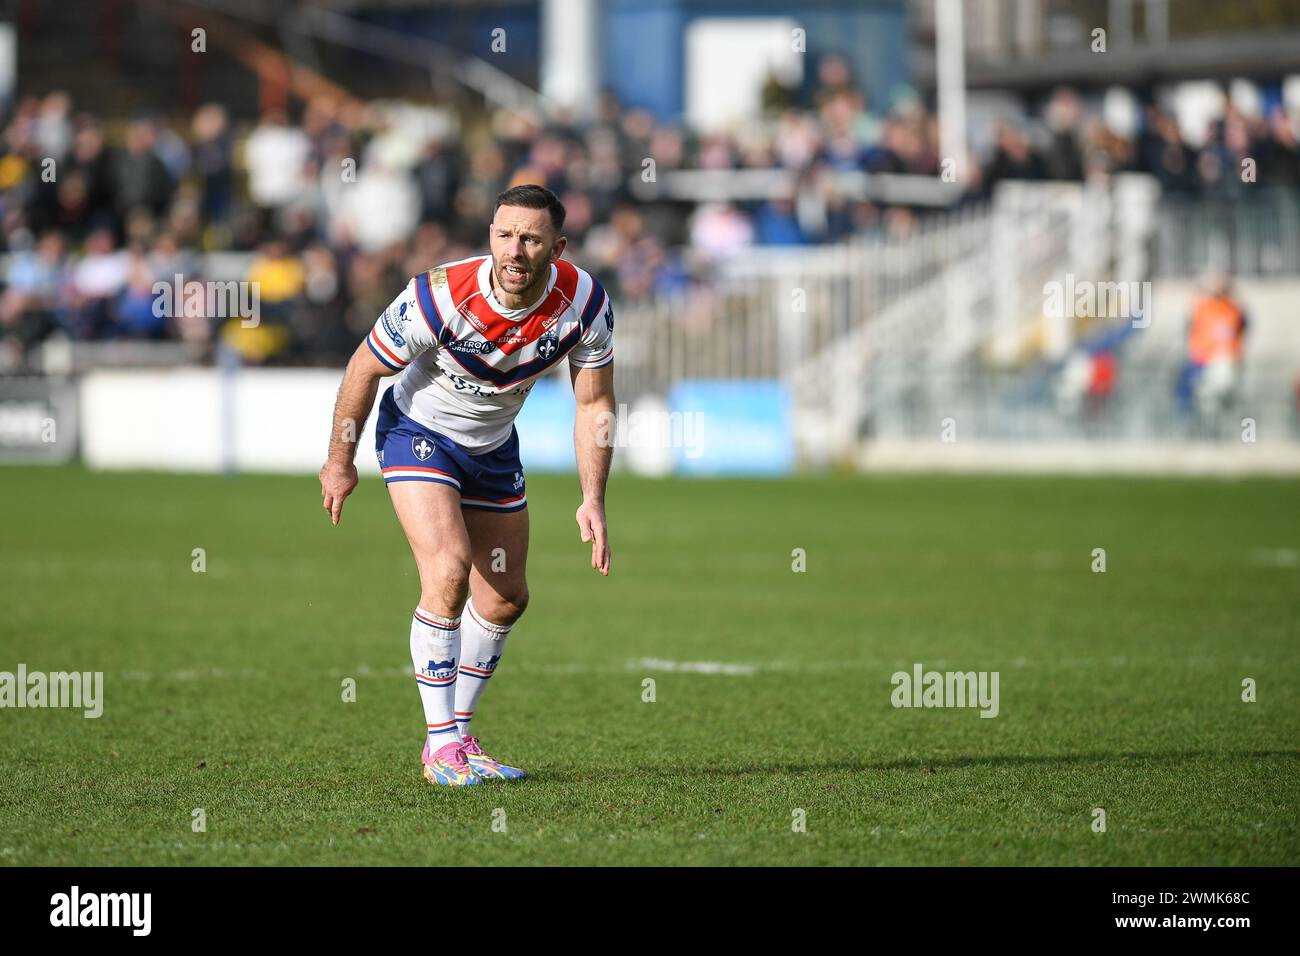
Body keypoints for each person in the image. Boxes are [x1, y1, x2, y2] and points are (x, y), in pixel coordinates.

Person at [318, 185, 615, 786]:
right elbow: (364, 367)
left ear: (556, 247)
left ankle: (460, 734)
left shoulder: (584, 302)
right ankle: (439, 748)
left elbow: (596, 404)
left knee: (506, 597)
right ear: (490, 237)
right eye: (504, 235)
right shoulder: (437, 297)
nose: (515, 251)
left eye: (531, 239)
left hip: (493, 447)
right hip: (417, 433)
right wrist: (339, 460)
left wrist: (593, 498)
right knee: (449, 570)